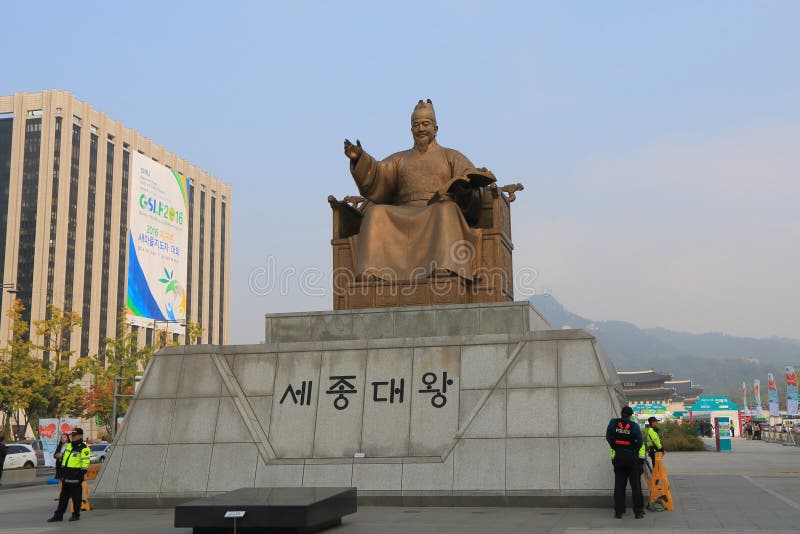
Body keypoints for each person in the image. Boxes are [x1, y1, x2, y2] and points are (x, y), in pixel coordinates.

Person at [343, 99, 489, 281]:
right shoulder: (399, 159)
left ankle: (444, 266)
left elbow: (469, 180)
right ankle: (371, 271)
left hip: (438, 208)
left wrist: (465, 188)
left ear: (435, 129)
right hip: (404, 209)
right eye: (416, 125)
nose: (421, 129)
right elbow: (378, 174)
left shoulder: (452, 156)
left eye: (425, 124)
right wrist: (360, 159)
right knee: (375, 213)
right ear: (411, 130)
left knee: (446, 210)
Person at [606, 406, 646, 519]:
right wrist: (634, 451)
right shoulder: (634, 426)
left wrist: (616, 447)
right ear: (630, 415)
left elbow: (608, 436)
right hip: (631, 459)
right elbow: (639, 441)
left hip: (619, 458)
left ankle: (618, 512)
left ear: (621, 413)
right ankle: (637, 512)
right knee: (636, 486)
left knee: (619, 486)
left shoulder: (613, 423)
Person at [47, 428, 91, 523]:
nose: (72, 436)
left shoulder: (84, 447)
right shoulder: (69, 445)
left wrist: (80, 475)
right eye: (72, 435)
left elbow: (85, 463)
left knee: (76, 497)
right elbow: (65, 459)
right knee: (63, 497)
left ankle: (75, 515)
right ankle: (58, 516)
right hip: (66, 474)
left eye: (74, 435)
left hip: (75, 475)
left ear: (80, 435)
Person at [53, 433, 70, 500]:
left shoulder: (69, 445)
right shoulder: (60, 446)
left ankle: (67, 494)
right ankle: (60, 495)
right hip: (59, 465)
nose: (63, 438)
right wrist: (56, 455)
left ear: (67, 438)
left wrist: (62, 455)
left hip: (66, 465)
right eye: (62, 437)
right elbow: (55, 454)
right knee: (60, 480)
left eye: (64, 437)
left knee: (66, 481)